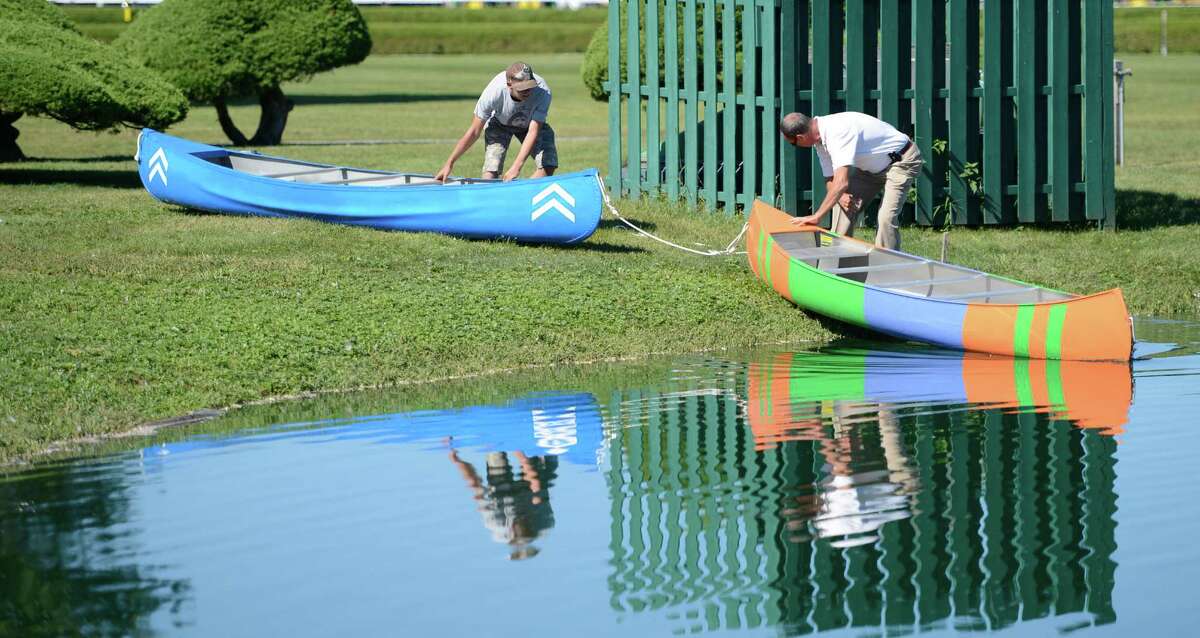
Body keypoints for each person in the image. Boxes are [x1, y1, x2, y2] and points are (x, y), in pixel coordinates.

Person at [779, 111, 923, 250]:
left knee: (885, 218)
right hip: (871, 169)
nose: (795, 147)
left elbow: (841, 183)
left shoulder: (837, 132)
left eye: (793, 143)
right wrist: (841, 197)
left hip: (901, 160)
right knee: (842, 203)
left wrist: (817, 216)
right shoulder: (820, 141)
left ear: (801, 137)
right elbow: (831, 179)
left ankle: (888, 264)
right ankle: (836, 256)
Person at [434, 62, 558, 183]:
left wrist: (516, 167)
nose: (527, 91)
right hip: (499, 124)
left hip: (529, 124)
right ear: (509, 84)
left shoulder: (542, 91)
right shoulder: (494, 92)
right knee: (491, 171)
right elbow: (474, 131)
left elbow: (533, 131)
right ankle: (488, 199)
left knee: (548, 164)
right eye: (522, 88)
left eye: (530, 86)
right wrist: (449, 163)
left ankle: (522, 197)